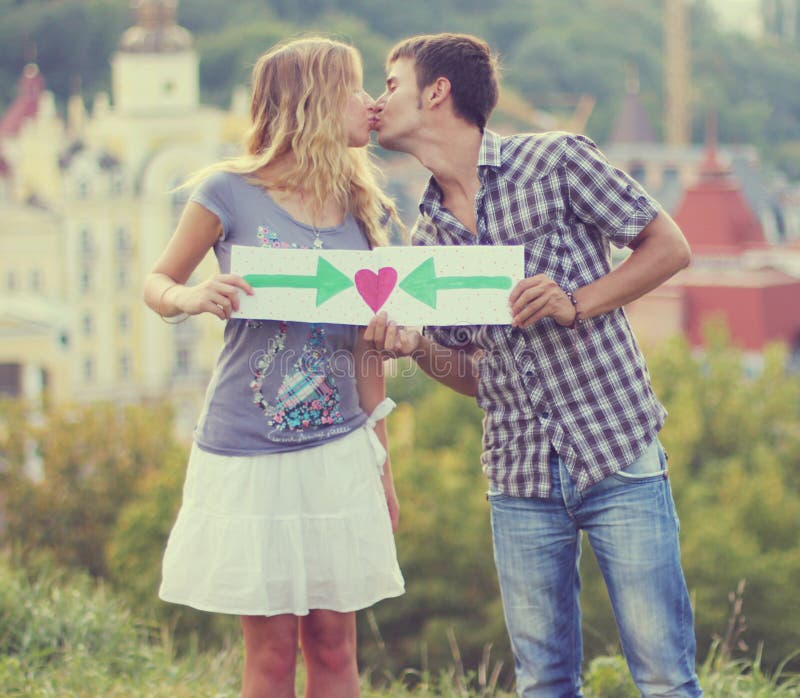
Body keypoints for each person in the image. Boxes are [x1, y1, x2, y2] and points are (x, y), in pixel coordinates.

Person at [365, 33, 702, 698]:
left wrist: (575, 302)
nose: (380, 101)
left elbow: (670, 247)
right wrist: (416, 349)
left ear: (437, 92)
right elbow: (472, 372)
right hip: (518, 477)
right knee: (543, 682)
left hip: (616, 454)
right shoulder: (426, 236)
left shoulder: (555, 159)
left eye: (391, 84)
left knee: (663, 675)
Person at [143, 37, 404, 698]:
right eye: (354, 88)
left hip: (337, 452)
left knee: (335, 646)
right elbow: (158, 282)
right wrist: (194, 296)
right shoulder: (226, 191)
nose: (370, 103)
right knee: (269, 654)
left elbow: (364, 349)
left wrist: (381, 461)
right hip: (247, 451)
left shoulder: (358, 207)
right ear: (313, 101)